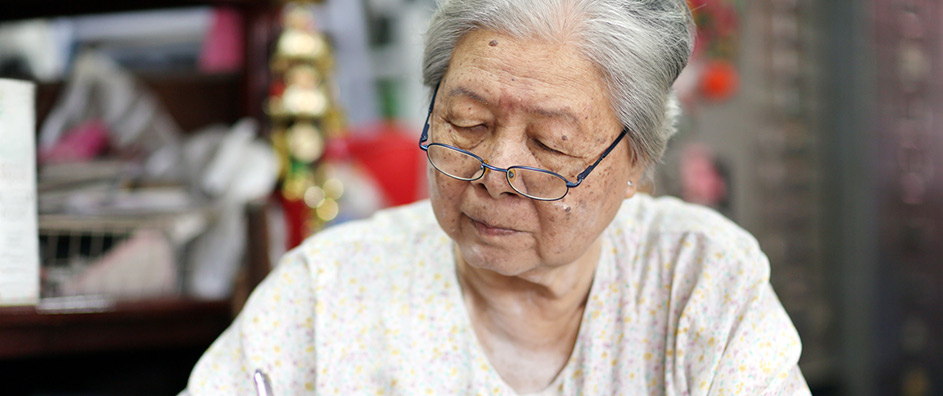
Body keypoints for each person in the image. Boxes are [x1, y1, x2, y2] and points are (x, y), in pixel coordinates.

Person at [184, 0, 811, 394]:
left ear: (636, 162)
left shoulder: (703, 286)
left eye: (551, 142)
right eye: (468, 122)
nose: (494, 172)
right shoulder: (325, 294)